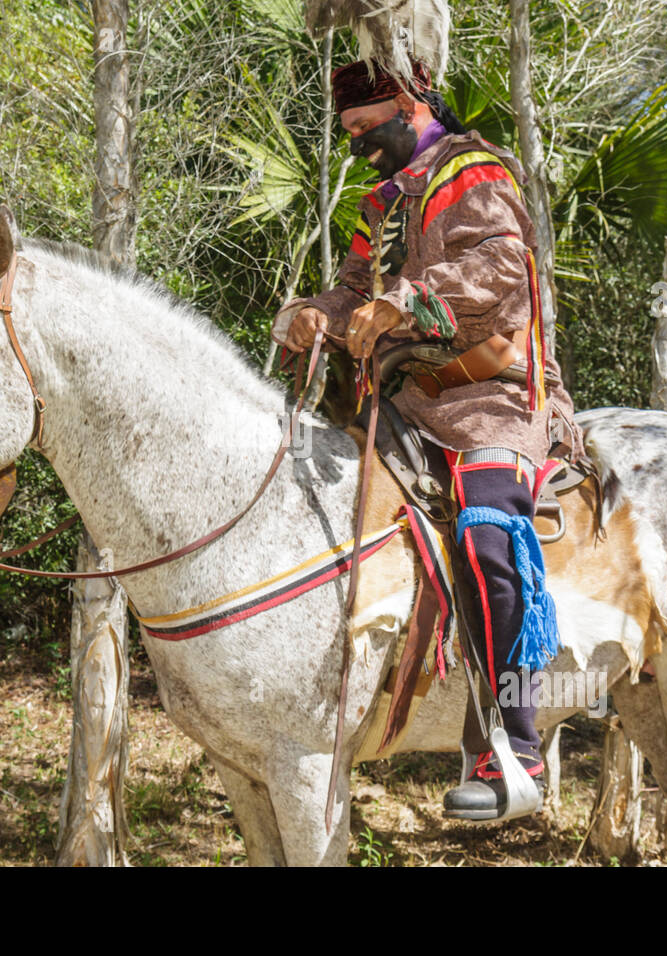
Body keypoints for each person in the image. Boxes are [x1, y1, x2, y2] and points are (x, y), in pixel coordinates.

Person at [271, 59, 583, 822]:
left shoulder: (476, 172)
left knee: (484, 535)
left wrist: (406, 299)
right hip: (405, 404)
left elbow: (505, 266)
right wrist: (314, 313)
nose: (354, 146)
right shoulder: (377, 203)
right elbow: (351, 291)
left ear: (405, 106)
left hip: (492, 399)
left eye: (360, 127)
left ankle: (514, 753)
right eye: (344, 133)